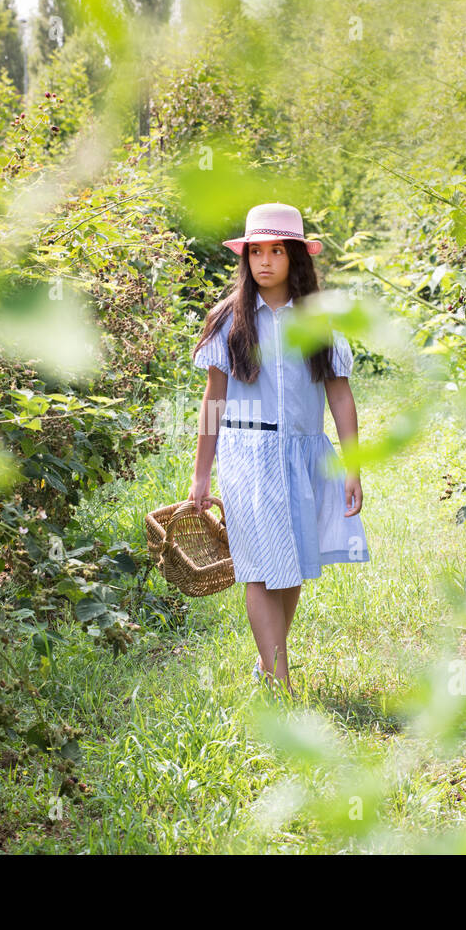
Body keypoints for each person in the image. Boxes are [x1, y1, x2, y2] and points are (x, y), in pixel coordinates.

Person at [188, 202, 370, 696]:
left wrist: (352, 467)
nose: (264, 262)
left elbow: (339, 393)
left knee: (290, 563)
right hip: (247, 454)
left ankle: (268, 668)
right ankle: (280, 681)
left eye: (276, 251)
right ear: (244, 259)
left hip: (303, 454)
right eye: (255, 252)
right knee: (259, 565)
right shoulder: (229, 320)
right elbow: (214, 399)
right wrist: (201, 476)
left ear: (295, 257)